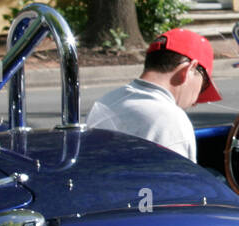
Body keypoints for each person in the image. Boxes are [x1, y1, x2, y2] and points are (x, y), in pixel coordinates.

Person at [85, 28, 222, 162]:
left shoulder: (107, 101)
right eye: (203, 86)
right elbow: (180, 183)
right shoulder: (171, 121)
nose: (195, 102)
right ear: (188, 70)